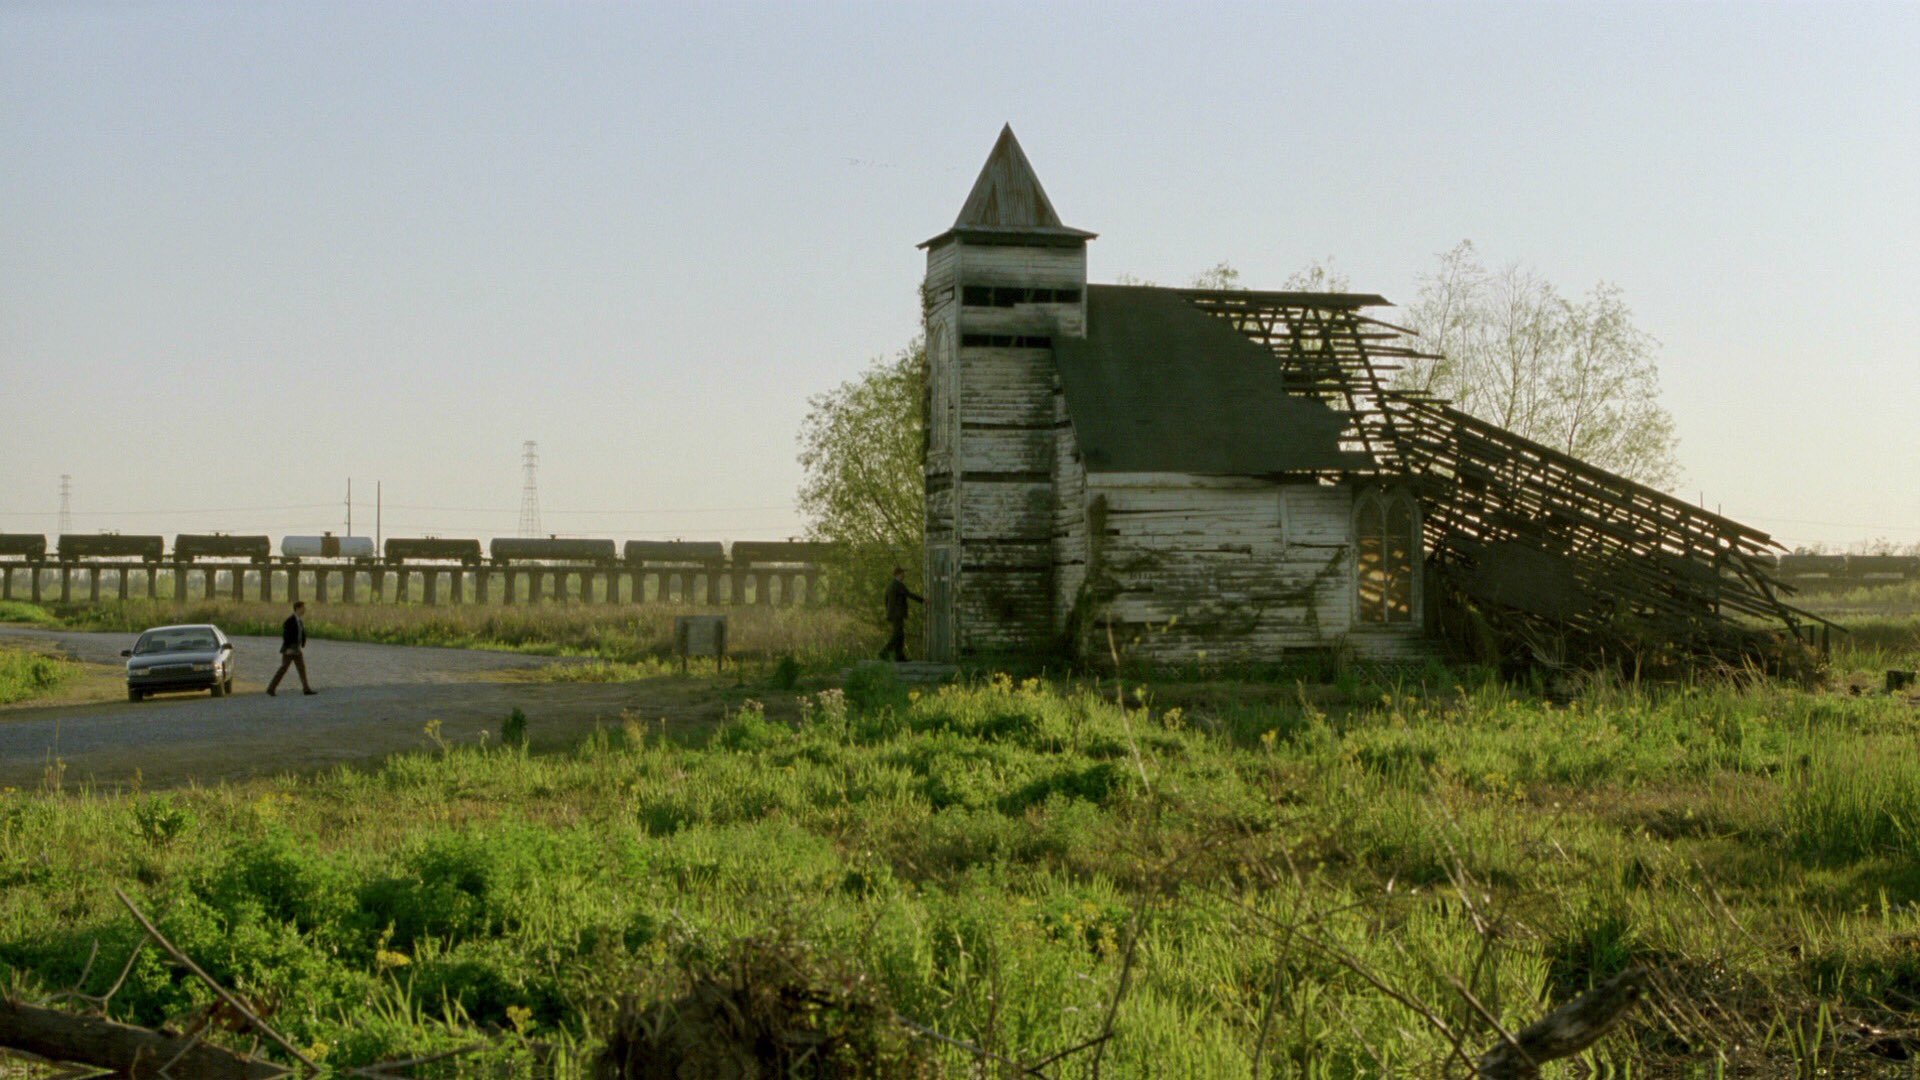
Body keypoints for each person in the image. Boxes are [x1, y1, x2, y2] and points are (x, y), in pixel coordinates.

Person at [267, 600, 318, 696]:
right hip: (289, 649)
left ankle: (306, 689)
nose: (304, 610)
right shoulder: (289, 621)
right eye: (303, 608)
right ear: (298, 608)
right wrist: (287, 648)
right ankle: (271, 688)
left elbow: (301, 634)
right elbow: (286, 636)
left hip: (297, 649)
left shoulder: (299, 621)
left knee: (301, 668)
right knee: (283, 669)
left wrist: (302, 643)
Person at [880, 567, 924, 662]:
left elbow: (886, 600)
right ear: (898, 574)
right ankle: (884, 652)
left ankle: (899, 657)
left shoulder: (890, 585)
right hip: (897, 614)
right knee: (897, 634)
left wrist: (888, 612)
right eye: (903, 573)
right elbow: (909, 594)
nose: (904, 575)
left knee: (900, 635)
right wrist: (923, 600)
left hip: (893, 613)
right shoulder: (898, 585)